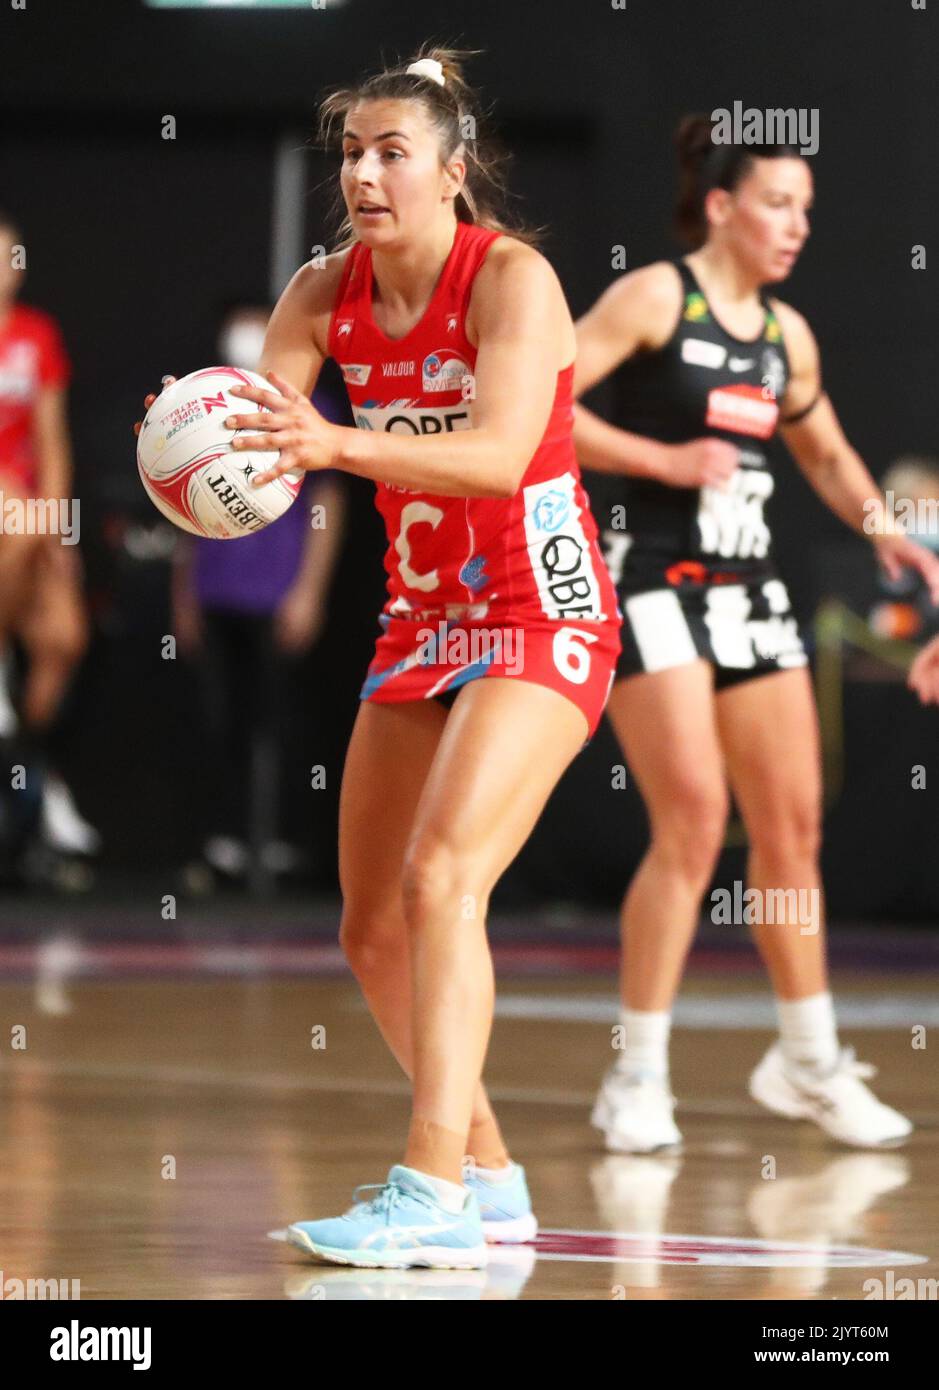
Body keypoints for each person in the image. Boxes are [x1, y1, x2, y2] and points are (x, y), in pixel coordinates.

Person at [136, 48, 621, 1269]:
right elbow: (262, 447)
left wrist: (332, 443)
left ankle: (431, 1181)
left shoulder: (513, 281)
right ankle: (494, 1179)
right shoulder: (320, 291)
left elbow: (504, 455)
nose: (361, 172)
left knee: (443, 877)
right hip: (420, 621)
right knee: (370, 928)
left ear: (454, 173)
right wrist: (200, 449)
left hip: (537, 608)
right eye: (350, 152)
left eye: (391, 151)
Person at [572, 116, 939, 1152]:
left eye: (808, 210)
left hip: (749, 588)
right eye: (778, 203)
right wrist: (663, 461)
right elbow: (543, 401)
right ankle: (637, 1073)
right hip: (649, 580)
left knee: (793, 828)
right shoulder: (654, 295)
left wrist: (891, 535)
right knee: (693, 818)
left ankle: (807, 1059)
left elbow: (824, 454)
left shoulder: (787, 335)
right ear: (723, 206)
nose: (797, 226)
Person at [171, 303, 348, 891]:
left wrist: (309, 591)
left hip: (277, 592)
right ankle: (224, 845)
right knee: (222, 721)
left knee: (285, 723)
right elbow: (183, 508)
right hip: (217, 590)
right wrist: (185, 595)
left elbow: (328, 504)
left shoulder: (306, 413)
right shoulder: (201, 417)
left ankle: (283, 845)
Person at [0, 209, 98, 870]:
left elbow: (52, 440)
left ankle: (25, 758)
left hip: (25, 521)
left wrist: (60, 529)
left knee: (65, 639)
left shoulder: (37, 334)